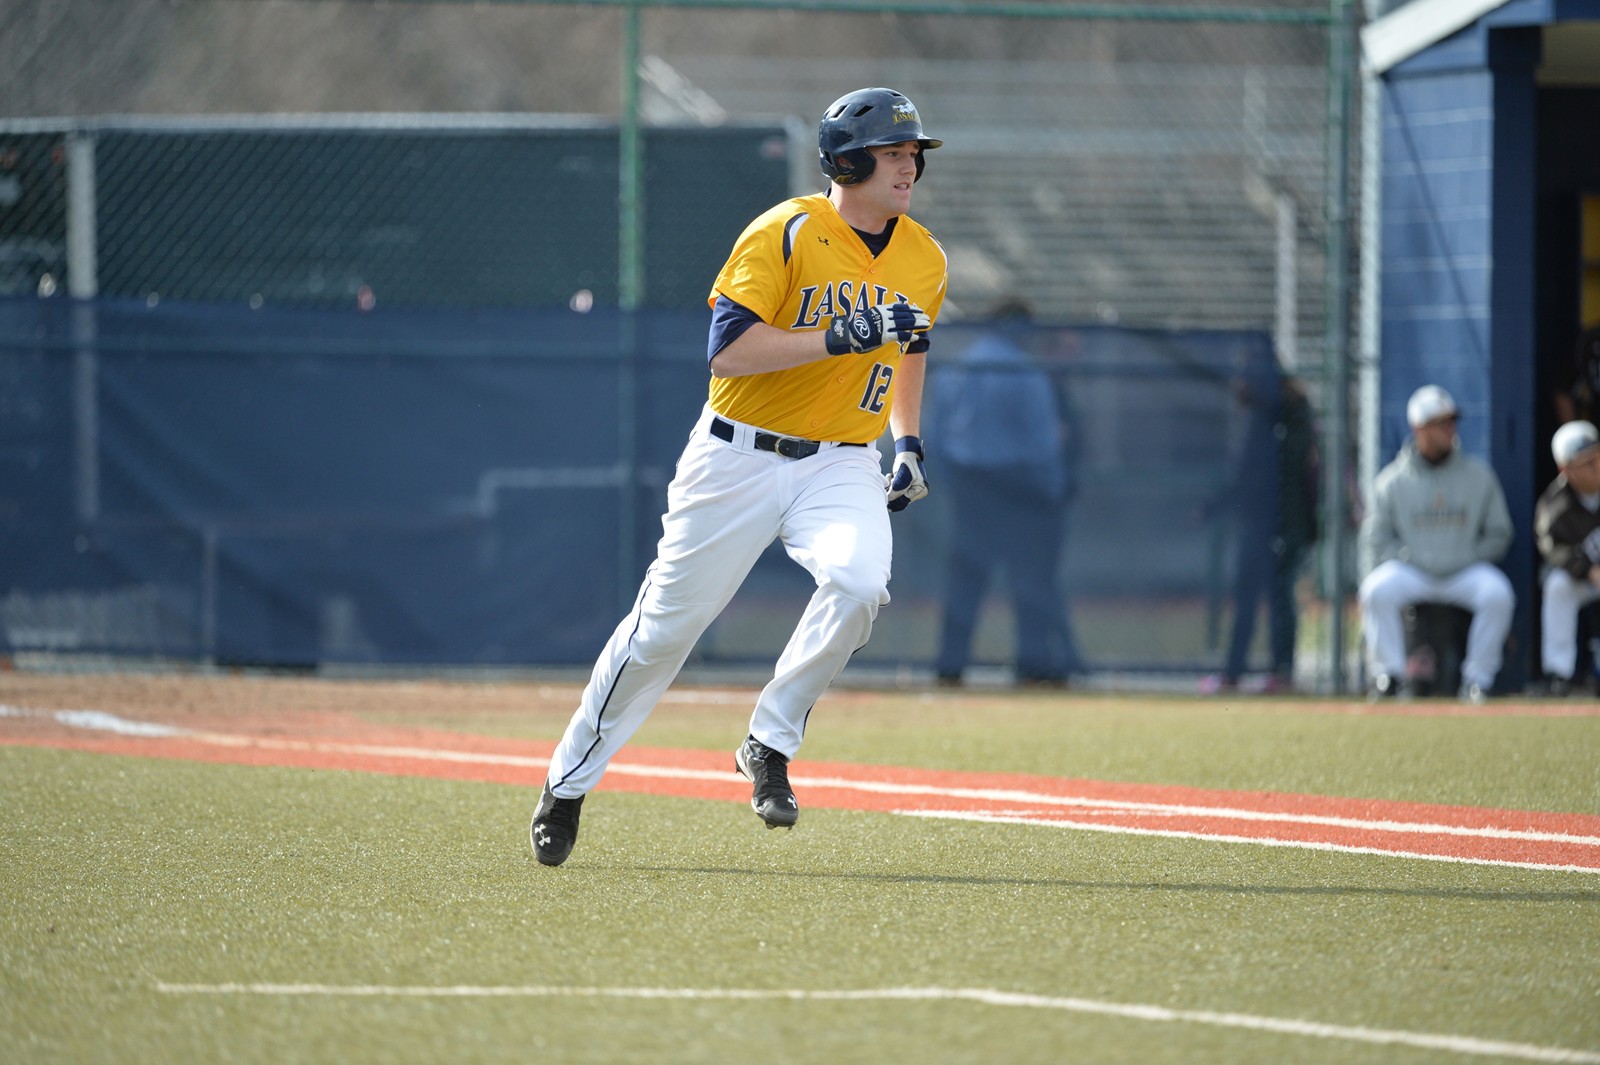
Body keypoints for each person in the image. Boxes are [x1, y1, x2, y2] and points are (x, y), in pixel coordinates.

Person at [529, 87, 948, 867]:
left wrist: (910, 440)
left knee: (860, 586)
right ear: (847, 161)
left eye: (913, 154)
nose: (909, 167)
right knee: (663, 634)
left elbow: (912, 342)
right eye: (894, 154)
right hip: (737, 455)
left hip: (843, 460)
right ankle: (567, 782)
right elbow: (727, 351)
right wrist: (841, 335)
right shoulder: (786, 231)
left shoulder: (925, 255)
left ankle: (769, 740)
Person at [929, 299, 1083, 688]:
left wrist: (950, 482)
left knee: (965, 581)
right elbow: (1041, 442)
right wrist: (1051, 488)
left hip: (970, 487)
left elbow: (935, 435)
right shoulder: (1026, 373)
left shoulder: (957, 368)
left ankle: (951, 666)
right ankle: (1032, 665)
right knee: (1029, 581)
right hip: (1019, 488)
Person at [1358, 384, 1515, 702]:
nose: (1450, 429)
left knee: (1497, 593)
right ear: (1419, 429)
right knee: (1376, 589)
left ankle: (1477, 680)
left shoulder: (1478, 475)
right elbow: (1376, 537)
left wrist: (1469, 554)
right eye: (1440, 423)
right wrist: (1406, 556)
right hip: (1413, 571)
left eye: (1451, 421)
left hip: (1464, 571)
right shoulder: (1392, 480)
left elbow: (1500, 533)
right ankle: (1388, 675)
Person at [1200, 362, 1320, 695]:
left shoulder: (1293, 416)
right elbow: (1242, 477)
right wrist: (1211, 508)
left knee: (1281, 598)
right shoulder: (1255, 419)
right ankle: (1233, 672)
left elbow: (1295, 468)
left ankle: (1283, 671)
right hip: (1255, 524)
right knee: (1245, 599)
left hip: (1287, 524)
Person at [1535, 419, 1600, 696]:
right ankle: (1559, 673)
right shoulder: (1555, 504)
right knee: (1557, 585)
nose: (1597, 466)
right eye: (1587, 462)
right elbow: (1554, 549)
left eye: (1598, 457)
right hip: (1585, 578)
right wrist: (1589, 570)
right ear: (1566, 469)